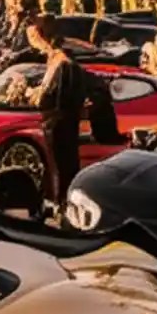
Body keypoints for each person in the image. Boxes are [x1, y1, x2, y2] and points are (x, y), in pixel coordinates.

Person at [21, 14, 116, 215]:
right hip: (55, 123)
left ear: (42, 35)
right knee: (59, 167)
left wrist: (31, 94)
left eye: (33, 36)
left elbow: (55, 96)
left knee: (64, 167)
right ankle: (61, 204)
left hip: (61, 124)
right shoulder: (54, 59)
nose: (31, 42)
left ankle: (65, 207)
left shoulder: (63, 62)